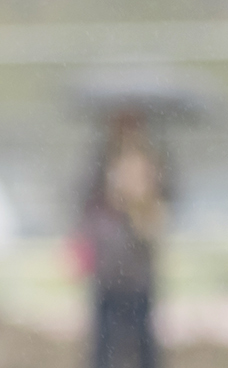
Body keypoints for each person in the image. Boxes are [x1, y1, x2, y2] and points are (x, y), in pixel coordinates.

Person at [81, 108, 167, 368]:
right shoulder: (100, 163)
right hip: (109, 272)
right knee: (104, 343)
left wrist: (141, 203)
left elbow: (154, 221)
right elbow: (87, 206)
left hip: (138, 275)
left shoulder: (152, 161)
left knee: (142, 341)